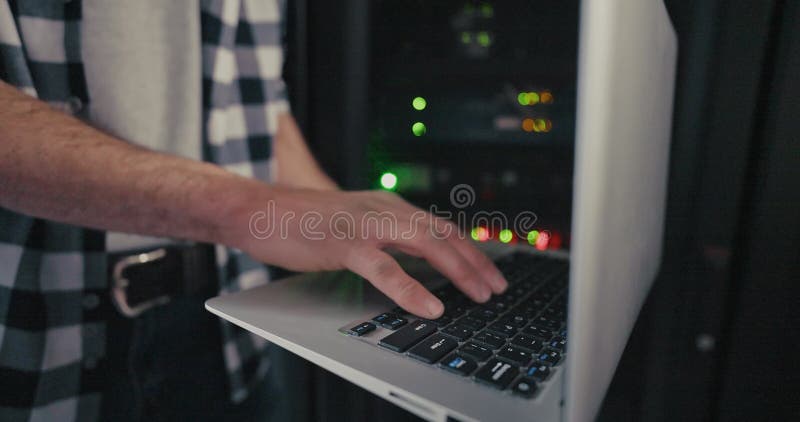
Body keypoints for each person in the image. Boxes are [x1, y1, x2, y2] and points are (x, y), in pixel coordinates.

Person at [0, 1, 507, 421]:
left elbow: (260, 113)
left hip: (230, 326)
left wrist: (371, 234)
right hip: (45, 335)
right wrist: (248, 209)